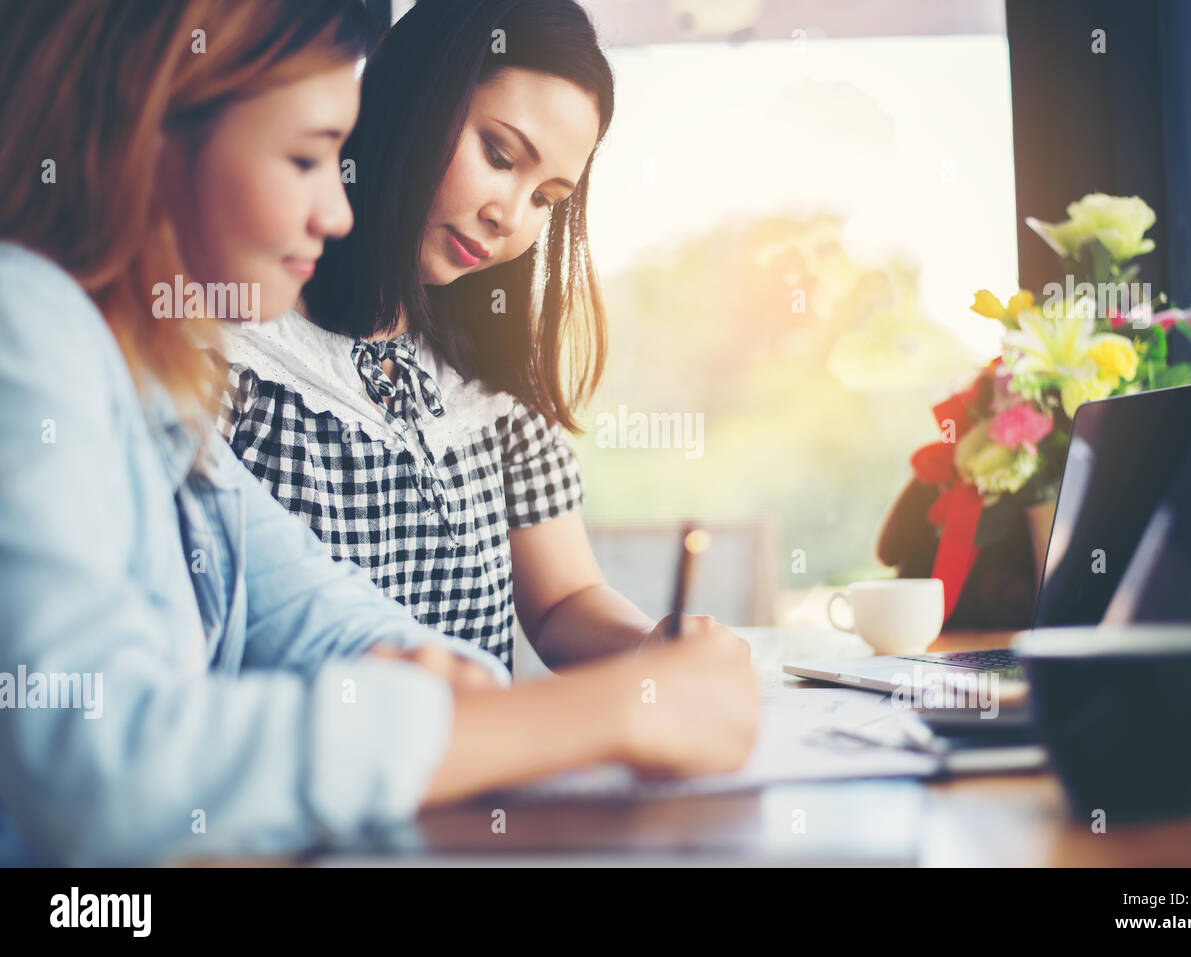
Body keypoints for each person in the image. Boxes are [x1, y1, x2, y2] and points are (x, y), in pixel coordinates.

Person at [0, 0, 759, 866]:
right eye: (307, 156)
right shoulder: (30, 323)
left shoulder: (149, 388)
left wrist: (478, 690)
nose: (337, 210)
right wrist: (606, 712)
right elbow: (101, 773)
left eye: (549, 195)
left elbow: (325, 611)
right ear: (153, 128)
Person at [216, 0, 742, 672]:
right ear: (412, 95)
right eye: (499, 155)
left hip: (491, 768)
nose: (509, 217)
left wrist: (653, 647)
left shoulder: (486, 368)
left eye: (547, 198)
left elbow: (564, 599)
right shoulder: (241, 351)